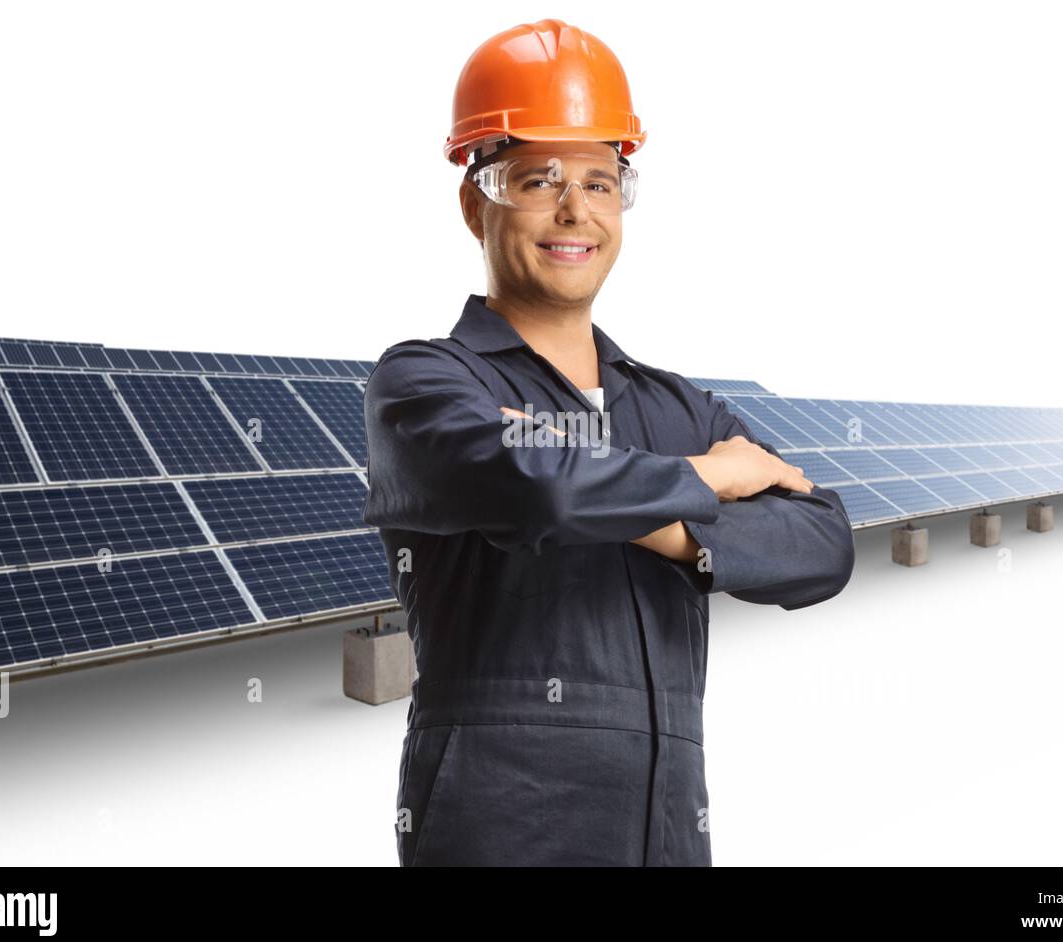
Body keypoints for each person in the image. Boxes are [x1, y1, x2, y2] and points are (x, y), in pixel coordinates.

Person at [362, 18, 856, 866]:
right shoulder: (424, 384)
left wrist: (656, 517)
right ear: (474, 201)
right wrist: (710, 482)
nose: (574, 211)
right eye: (538, 179)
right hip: (498, 829)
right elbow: (539, 489)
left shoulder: (675, 405)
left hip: (668, 827)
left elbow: (822, 544)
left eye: (600, 181)